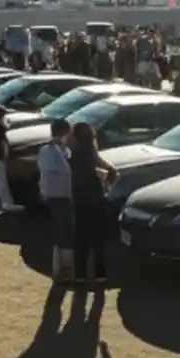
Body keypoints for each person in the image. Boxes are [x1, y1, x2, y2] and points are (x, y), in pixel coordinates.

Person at [70, 122, 116, 285]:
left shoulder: (71, 155)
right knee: (98, 242)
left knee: (80, 241)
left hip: (79, 201)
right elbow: (111, 171)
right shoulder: (92, 153)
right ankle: (100, 275)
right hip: (96, 200)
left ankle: (80, 276)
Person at [38, 119, 76, 283]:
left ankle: (62, 266)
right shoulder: (49, 151)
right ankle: (62, 268)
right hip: (57, 195)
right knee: (63, 230)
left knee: (63, 229)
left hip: (60, 194)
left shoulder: (62, 149)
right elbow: (64, 170)